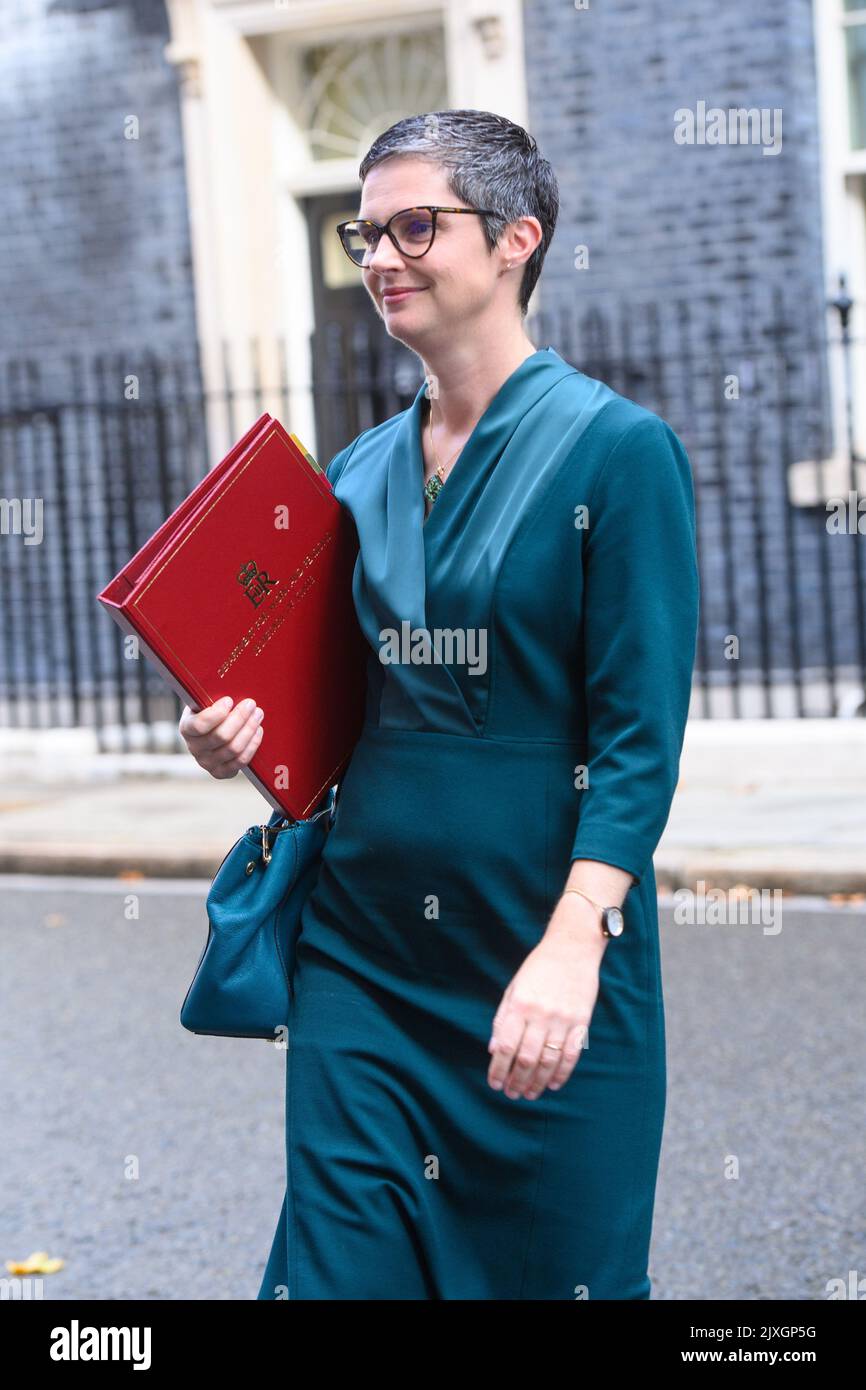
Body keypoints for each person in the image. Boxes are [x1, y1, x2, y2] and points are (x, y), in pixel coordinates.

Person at [179, 109, 700, 1300]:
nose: (379, 256)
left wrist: (574, 946)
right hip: (361, 959)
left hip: (540, 943)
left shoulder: (618, 454)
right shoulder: (355, 469)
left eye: (416, 225)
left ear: (516, 237)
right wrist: (232, 742)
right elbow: (323, 709)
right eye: (367, 231)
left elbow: (637, 742)